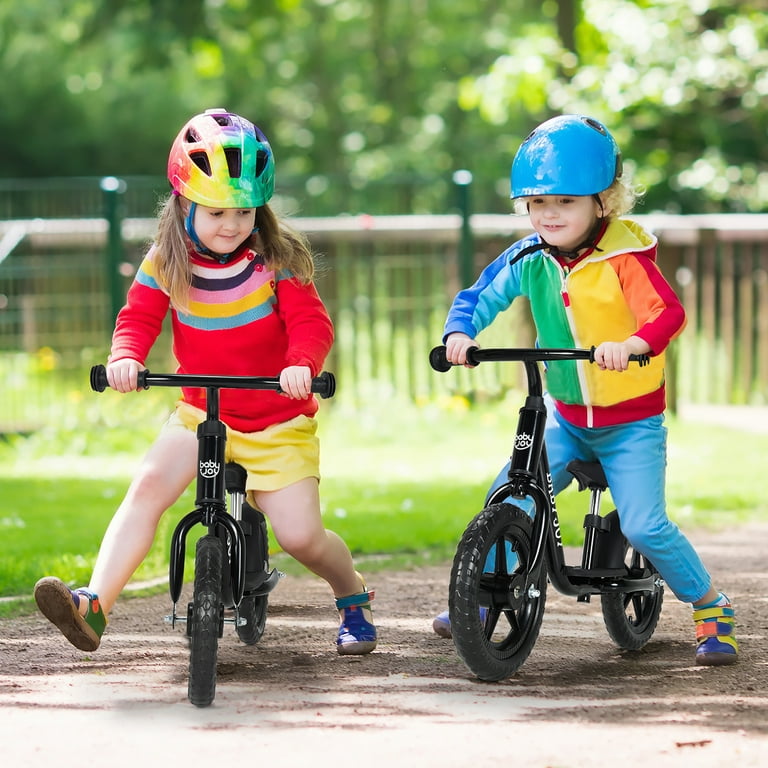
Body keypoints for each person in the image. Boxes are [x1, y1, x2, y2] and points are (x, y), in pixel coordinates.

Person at [34, 108, 376, 656]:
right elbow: (138, 317)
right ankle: (94, 607)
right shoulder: (167, 261)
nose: (232, 224)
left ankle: (352, 595)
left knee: (302, 536)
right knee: (147, 487)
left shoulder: (276, 261)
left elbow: (312, 324)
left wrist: (300, 364)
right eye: (216, 210)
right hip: (200, 412)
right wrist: (126, 357)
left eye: (244, 210)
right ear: (183, 203)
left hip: (276, 419)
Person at [432, 114, 737, 667]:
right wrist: (460, 334)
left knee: (645, 524)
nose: (549, 214)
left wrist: (635, 343)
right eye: (538, 203)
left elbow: (666, 313)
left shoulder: (625, 260)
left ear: (604, 201)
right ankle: (481, 595)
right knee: (508, 491)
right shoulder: (529, 256)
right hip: (567, 416)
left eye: (565, 202)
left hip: (629, 423)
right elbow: (478, 296)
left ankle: (711, 608)